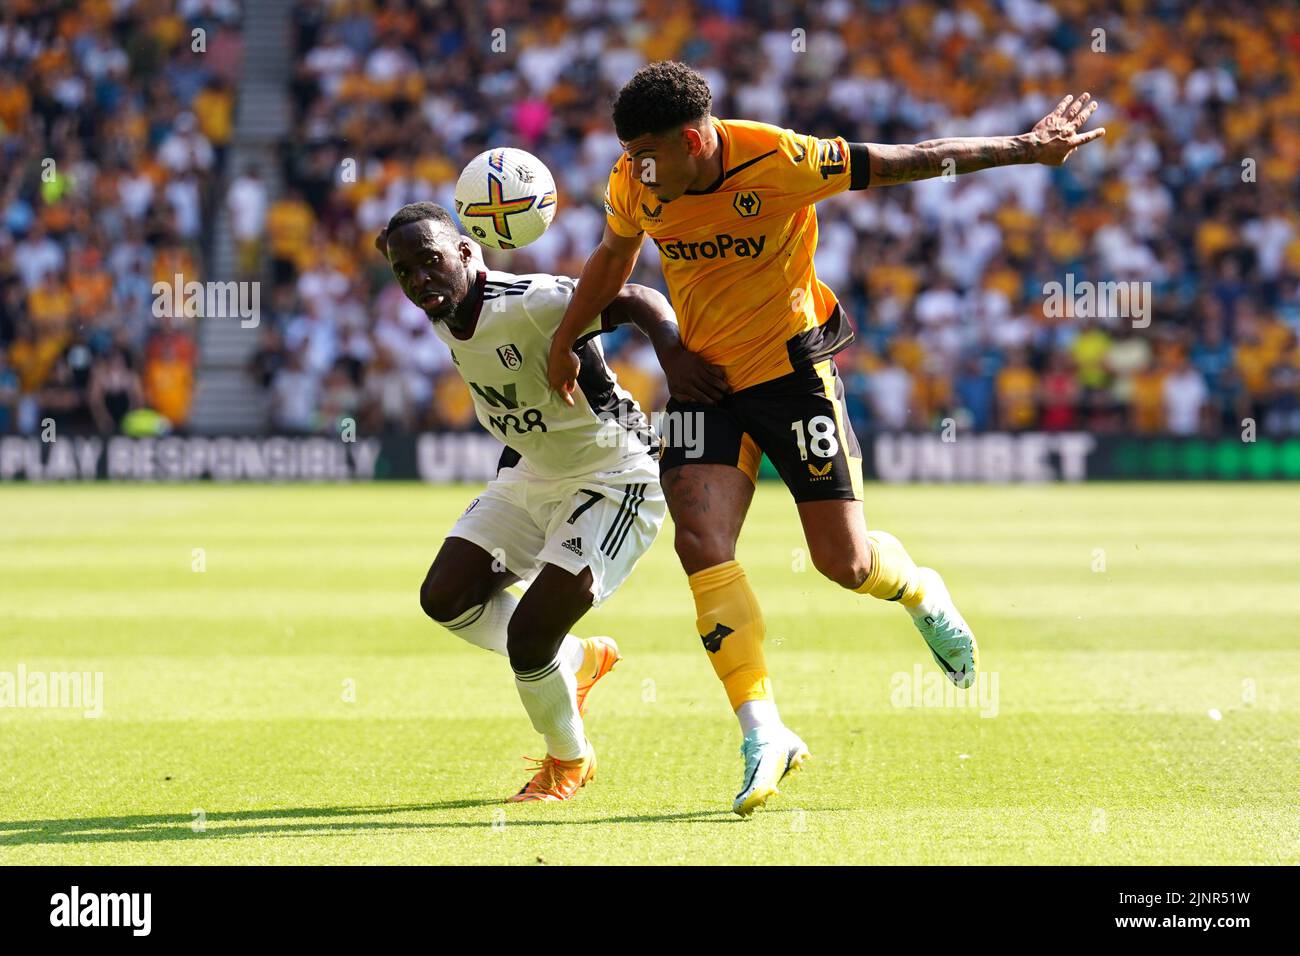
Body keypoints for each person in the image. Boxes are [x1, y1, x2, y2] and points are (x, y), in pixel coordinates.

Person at [546, 61, 1105, 815]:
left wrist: (1023, 147)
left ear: (693, 138)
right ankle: (764, 730)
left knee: (844, 564)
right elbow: (614, 259)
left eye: (647, 155)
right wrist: (569, 338)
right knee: (700, 543)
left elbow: (907, 159)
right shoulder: (634, 181)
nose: (636, 172)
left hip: (790, 377)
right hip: (705, 384)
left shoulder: (779, 159)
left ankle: (917, 587)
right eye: (629, 156)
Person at [377, 201, 695, 801]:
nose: (419, 280)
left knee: (528, 639)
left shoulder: (534, 300)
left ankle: (568, 761)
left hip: (615, 474)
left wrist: (677, 362)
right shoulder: (445, 312)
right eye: (404, 271)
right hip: (532, 471)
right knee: (443, 598)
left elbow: (640, 301)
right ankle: (578, 660)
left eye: (431, 261)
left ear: (468, 252)